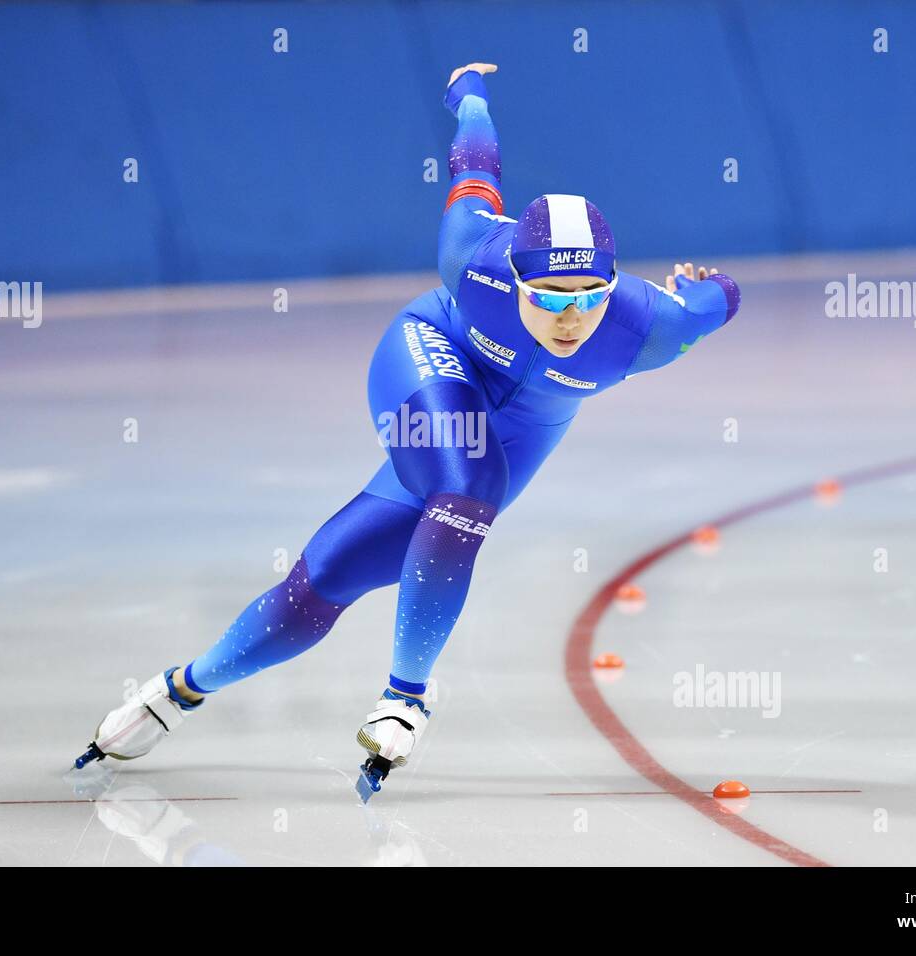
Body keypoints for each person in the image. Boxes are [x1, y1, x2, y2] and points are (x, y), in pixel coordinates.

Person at [74, 62, 741, 799]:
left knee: (319, 585)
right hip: (430, 356)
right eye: (550, 294)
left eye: (590, 296)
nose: (571, 317)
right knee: (468, 482)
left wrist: (713, 287)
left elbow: (717, 301)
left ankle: (176, 691)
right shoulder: (472, 257)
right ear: (514, 278)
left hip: (521, 432)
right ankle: (406, 697)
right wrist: (470, 92)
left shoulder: (652, 326)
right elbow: (477, 164)